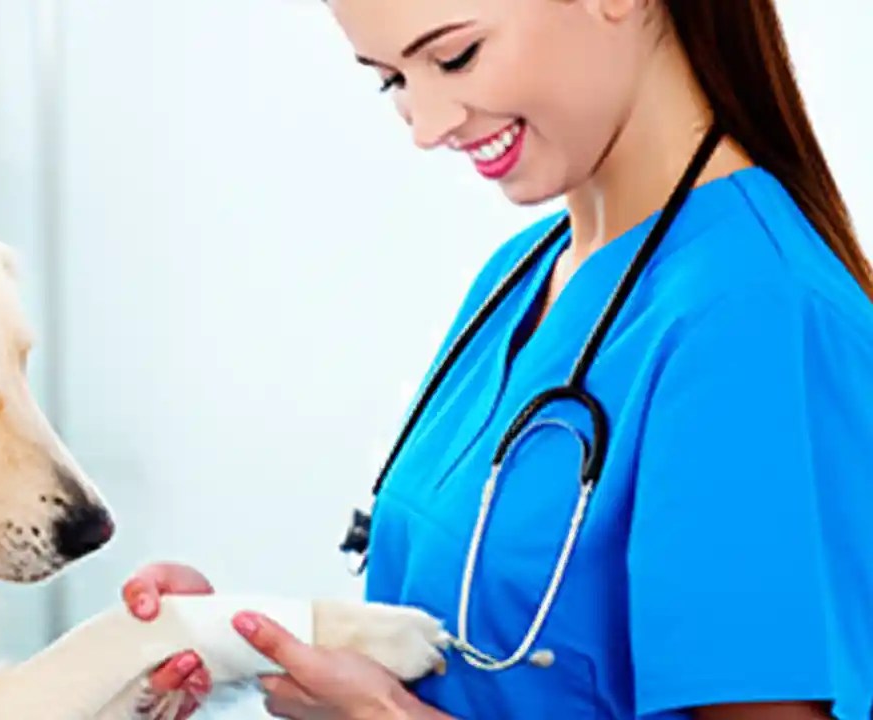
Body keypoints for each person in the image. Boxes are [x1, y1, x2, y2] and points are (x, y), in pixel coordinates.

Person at [121, 1, 873, 718]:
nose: (427, 124)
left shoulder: (753, 316)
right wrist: (242, 639)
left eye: (456, 56)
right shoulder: (524, 274)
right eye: (392, 79)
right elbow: (483, 648)